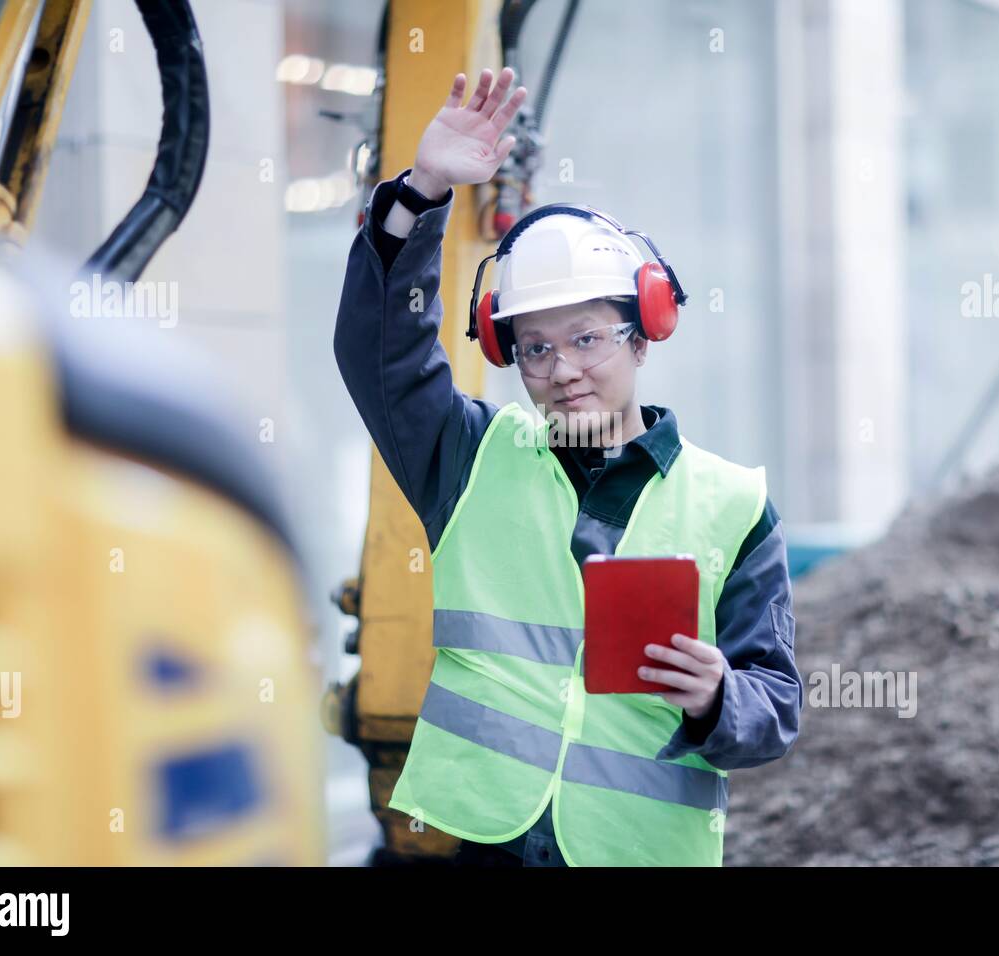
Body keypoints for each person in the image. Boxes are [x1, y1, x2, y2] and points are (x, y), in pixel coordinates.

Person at [334, 67, 801, 867]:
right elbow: (377, 352)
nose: (562, 370)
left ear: (645, 334)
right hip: (478, 844)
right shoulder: (471, 459)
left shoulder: (733, 505)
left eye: (588, 338)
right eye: (537, 349)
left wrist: (720, 695)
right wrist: (420, 193)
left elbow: (776, 705)